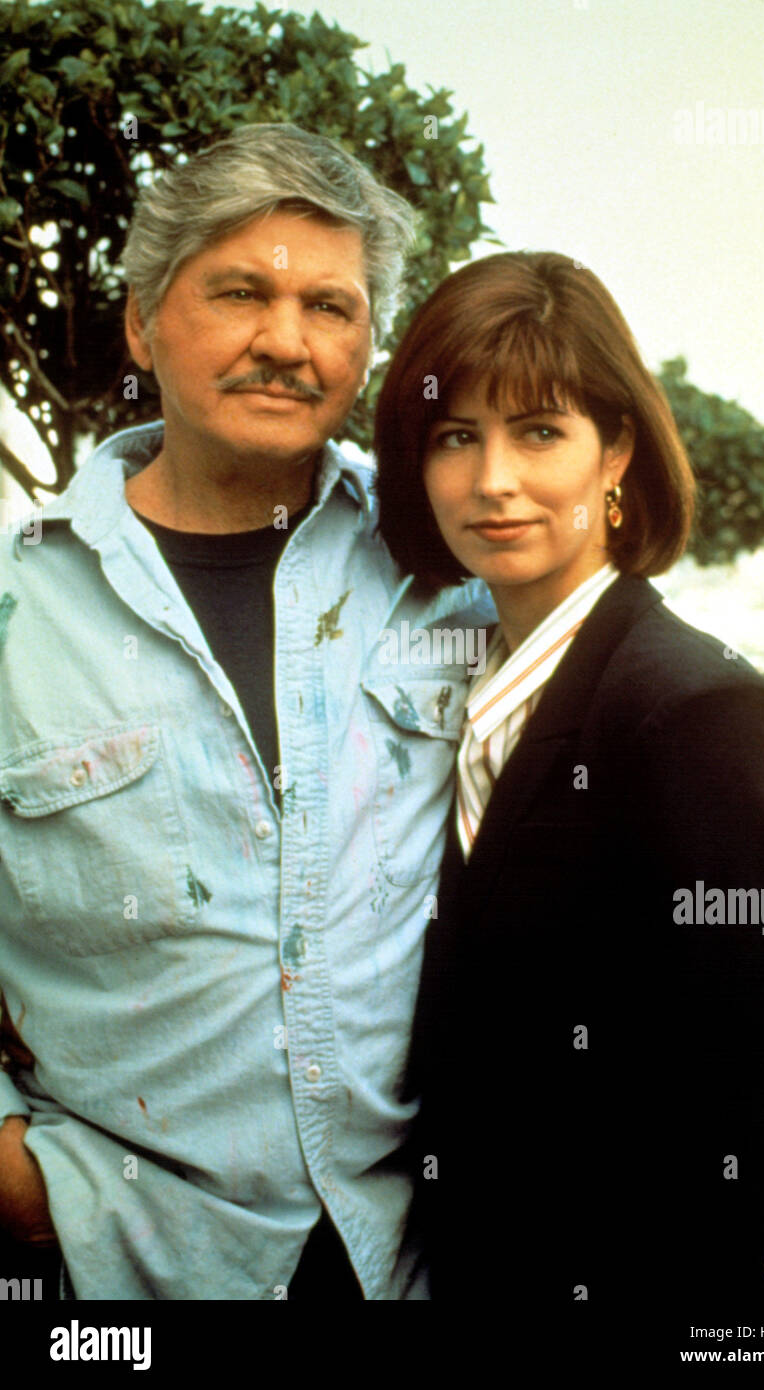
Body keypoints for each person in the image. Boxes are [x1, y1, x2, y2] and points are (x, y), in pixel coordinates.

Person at [0, 123, 491, 1300]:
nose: (286, 342)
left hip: (408, 1264)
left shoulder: (454, 571)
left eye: (331, 305)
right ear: (140, 321)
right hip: (122, 1270)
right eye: (239, 293)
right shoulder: (17, 608)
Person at [374, 251, 764, 1305]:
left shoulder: (695, 710)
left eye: (539, 432)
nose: (492, 482)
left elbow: (717, 1150)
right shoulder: (453, 696)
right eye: (454, 437)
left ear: (616, 449)